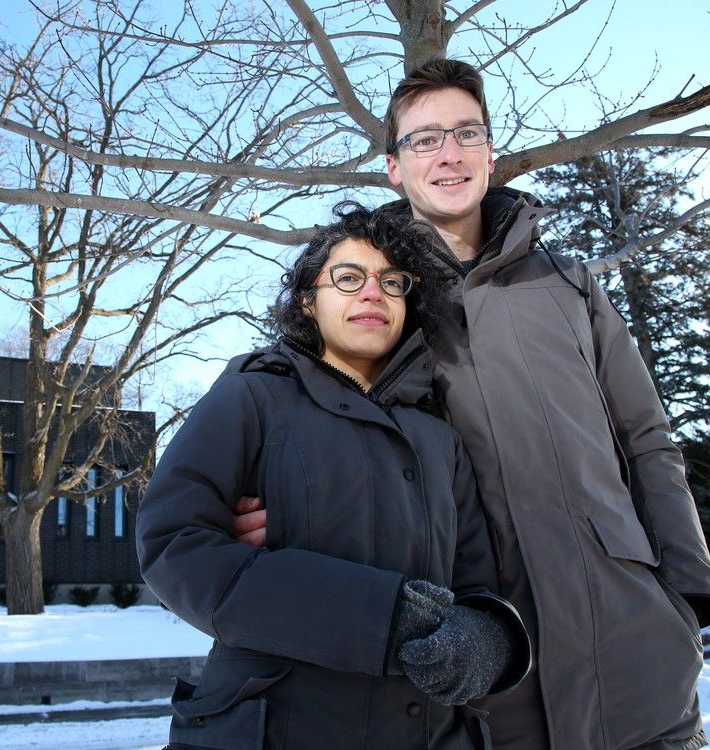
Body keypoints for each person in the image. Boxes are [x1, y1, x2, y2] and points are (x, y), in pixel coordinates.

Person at [233, 59, 710, 750]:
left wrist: (687, 596)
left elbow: (646, 438)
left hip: (638, 663)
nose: (448, 153)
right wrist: (273, 502)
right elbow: (311, 427)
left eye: (465, 133)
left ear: (491, 152)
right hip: (482, 676)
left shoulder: (570, 287)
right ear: (394, 167)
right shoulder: (373, 302)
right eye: (424, 140)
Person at [136, 204, 531, 749]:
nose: (373, 293)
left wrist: (487, 636)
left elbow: (478, 580)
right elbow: (174, 544)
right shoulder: (252, 395)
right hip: (272, 728)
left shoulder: (441, 437)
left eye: (392, 282)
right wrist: (379, 618)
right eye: (349, 277)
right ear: (307, 300)